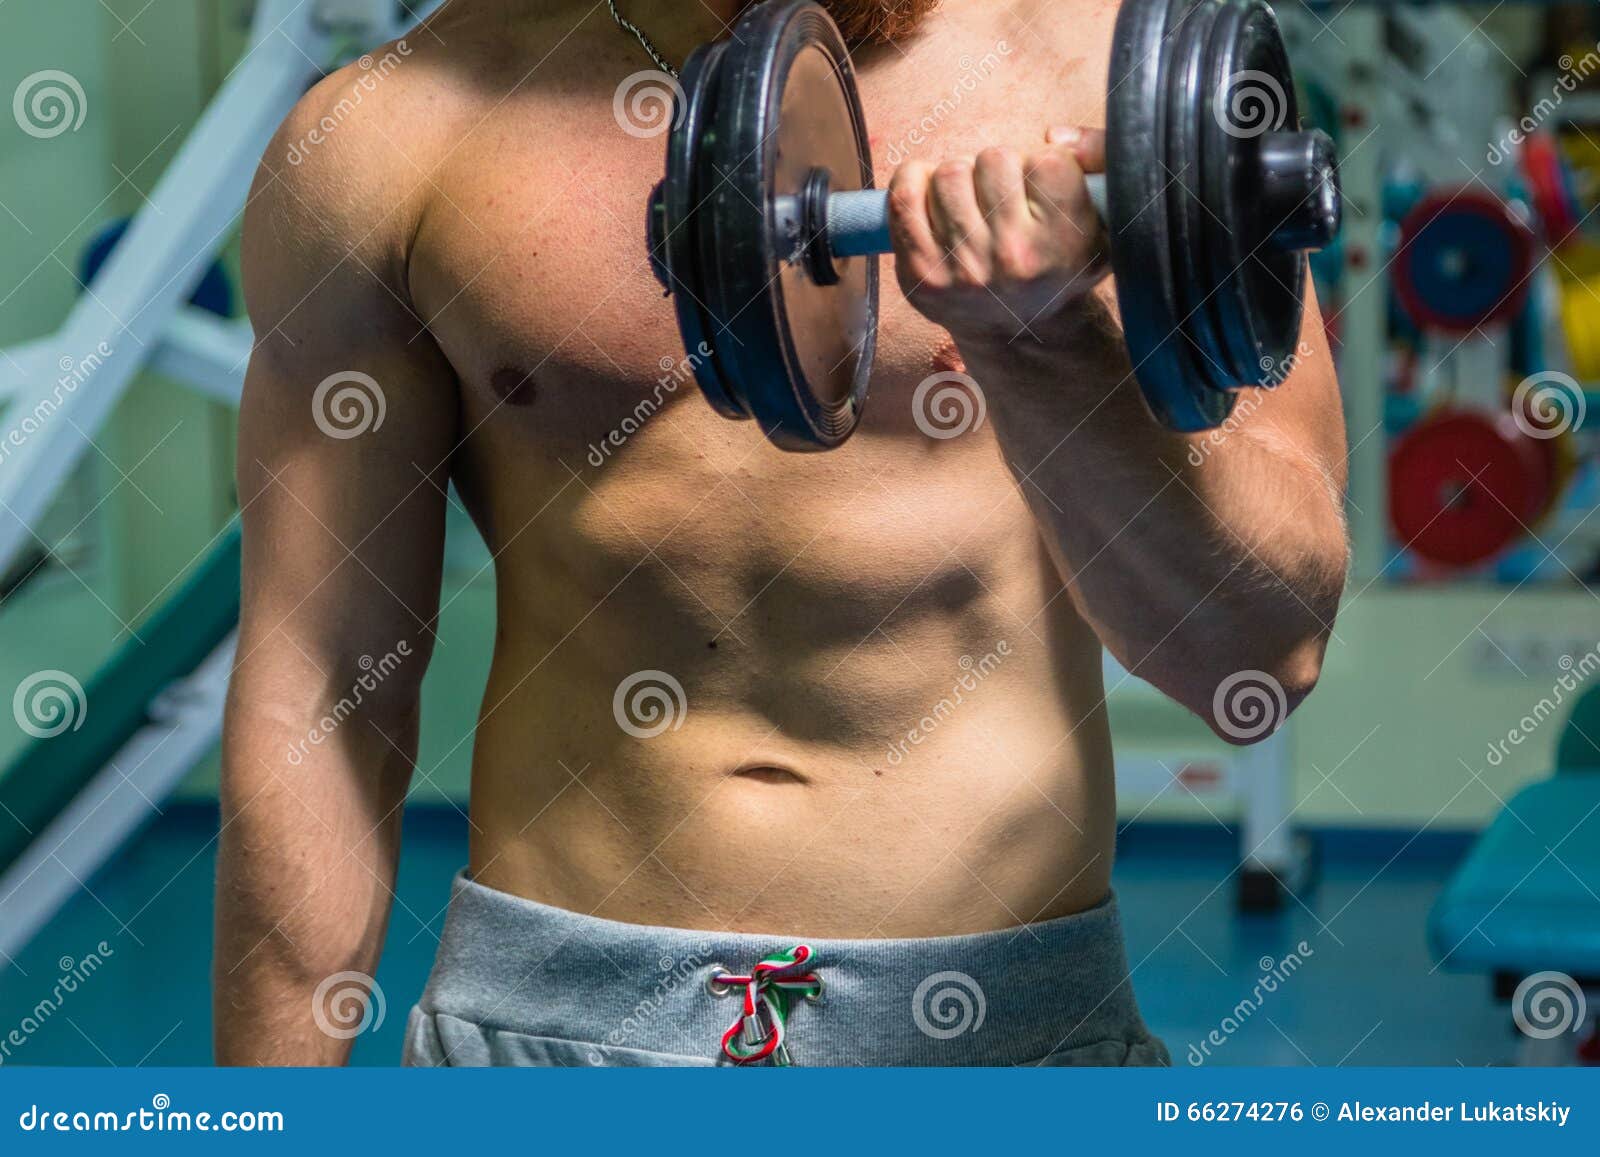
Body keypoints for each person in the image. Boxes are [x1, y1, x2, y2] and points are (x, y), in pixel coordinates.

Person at [213, 0, 1347, 1067]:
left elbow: (1259, 651)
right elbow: (318, 693)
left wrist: (1039, 348)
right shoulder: (393, 134)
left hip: (997, 1038)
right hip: (551, 1033)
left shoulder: (1104, 71)